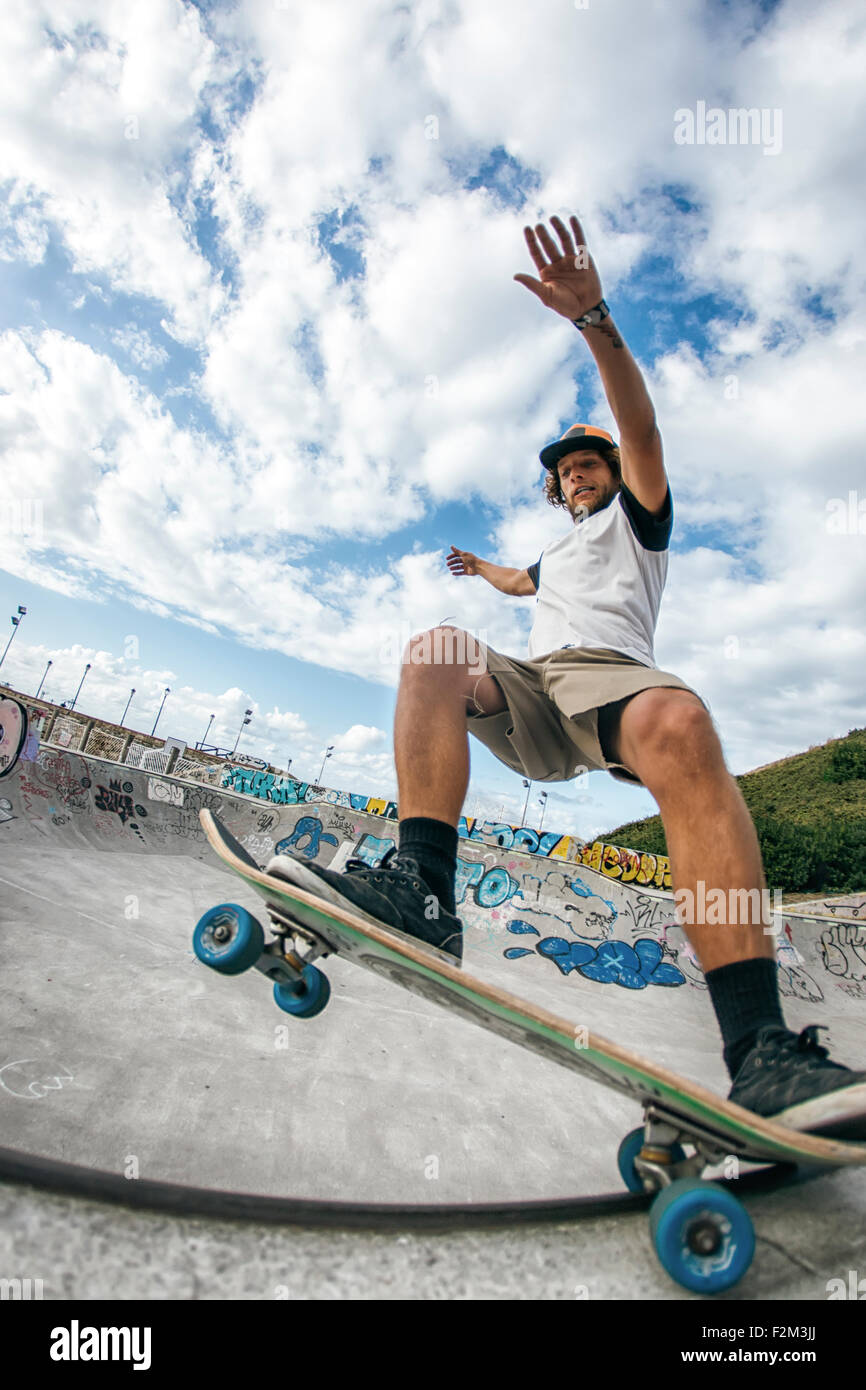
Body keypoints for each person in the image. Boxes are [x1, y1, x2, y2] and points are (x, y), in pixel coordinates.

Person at [271, 214, 866, 1136]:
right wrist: (482, 570)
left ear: (614, 474)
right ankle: (424, 891)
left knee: (682, 724)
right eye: (571, 472)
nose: (582, 476)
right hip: (531, 691)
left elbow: (643, 426)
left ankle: (762, 1051)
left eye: (592, 465)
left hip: (612, 685)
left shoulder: (641, 517)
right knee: (432, 651)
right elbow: (520, 581)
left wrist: (595, 321)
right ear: (558, 488)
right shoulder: (555, 551)